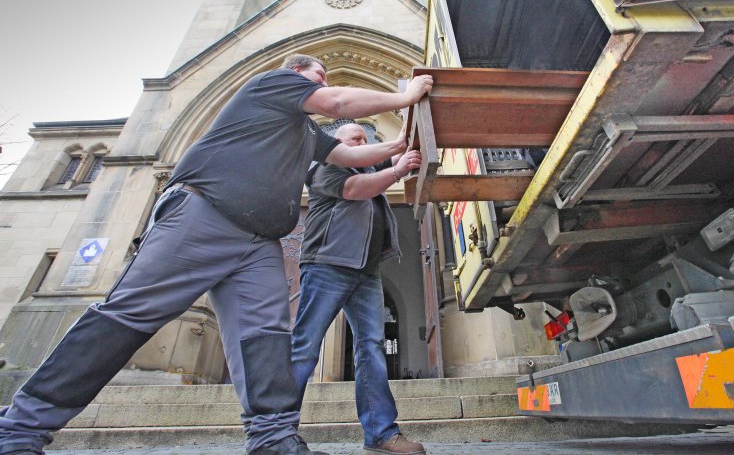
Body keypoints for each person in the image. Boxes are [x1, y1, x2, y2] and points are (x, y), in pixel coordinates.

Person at [0, 54, 433, 455]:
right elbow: (336, 102)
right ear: (295, 74)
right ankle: (20, 429)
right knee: (127, 316)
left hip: (260, 241)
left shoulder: (306, 132)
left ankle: (274, 440)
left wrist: (397, 146)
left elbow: (349, 154)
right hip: (202, 216)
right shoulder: (272, 83)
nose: (323, 81)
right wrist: (404, 97)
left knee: (265, 337)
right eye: (317, 75)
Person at [291, 123, 425, 455]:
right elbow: (356, 189)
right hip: (327, 265)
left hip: (366, 272)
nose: (364, 142)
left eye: (367, 138)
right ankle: (277, 435)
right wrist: (397, 169)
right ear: (335, 144)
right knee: (305, 347)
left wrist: (408, 139)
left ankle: (381, 434)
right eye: (356, 138)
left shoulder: (369, 167)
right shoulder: (326, 167)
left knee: (372, 348)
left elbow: (396, 153)